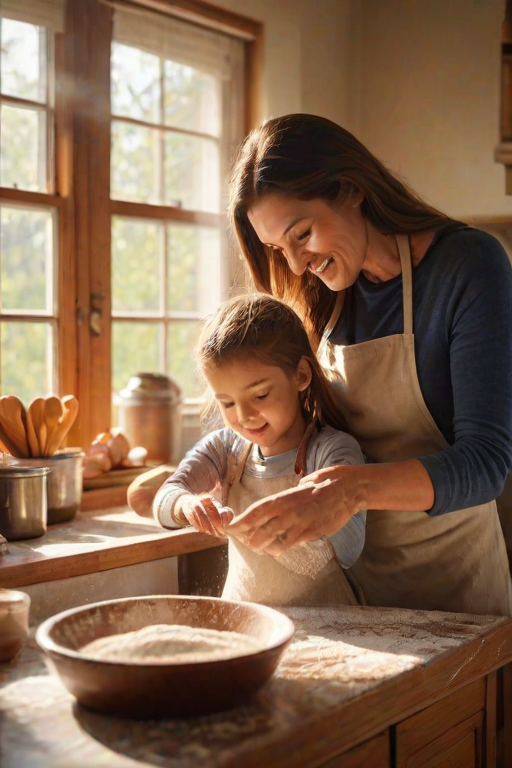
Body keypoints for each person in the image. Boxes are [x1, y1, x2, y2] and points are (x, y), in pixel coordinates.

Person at [225, 112, 512, 616]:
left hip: (457, 587)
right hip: (353, 590)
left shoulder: (468, 265)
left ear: (351, 189)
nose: (295, 264)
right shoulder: (320, 299)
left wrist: (352, 491)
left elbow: (487, 464)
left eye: (303, 234)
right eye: (278, 249)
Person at [151, 293, 367, 607]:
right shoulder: (226, 449)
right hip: (247, 620)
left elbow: (351, 548)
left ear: (301, 375)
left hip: (331, 632)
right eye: (227, 402)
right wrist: (185, 505)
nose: (244, 415)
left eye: (260, 395)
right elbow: (165, 497)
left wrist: (303, 513)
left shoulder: (333, 451)